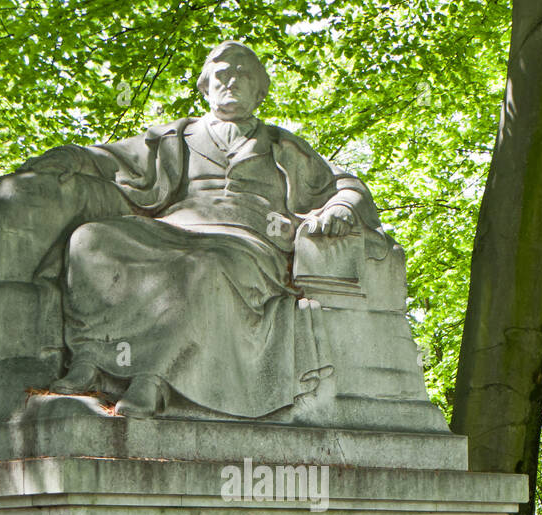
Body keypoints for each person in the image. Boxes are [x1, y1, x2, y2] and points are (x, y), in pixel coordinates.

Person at [29, 41, 385, 418]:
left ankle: (152, 379)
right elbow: (113, 157)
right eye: (222, 74)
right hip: (171, 230)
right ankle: (90, 358)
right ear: (205, 86)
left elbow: (347, 186)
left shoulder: (284, 147)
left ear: (260, 91)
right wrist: (70, 157)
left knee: (204, 267)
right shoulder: (176, 137)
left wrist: (342, 207)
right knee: (91, 239)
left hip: (245, 242)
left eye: (243, 75)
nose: (231, 81)